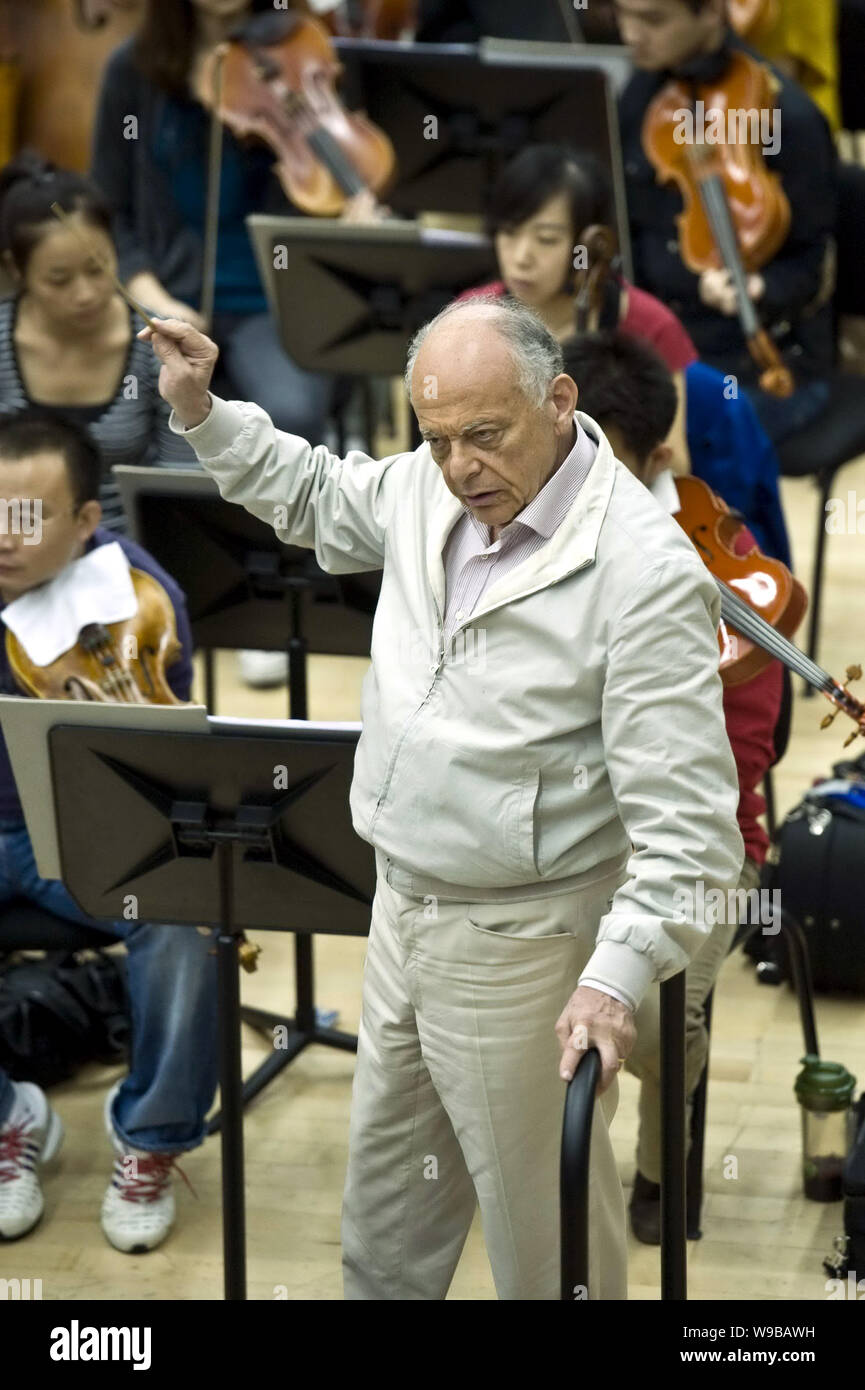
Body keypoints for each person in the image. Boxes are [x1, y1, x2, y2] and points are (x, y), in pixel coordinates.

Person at [140, 294, 744, 1299]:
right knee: (386, 1230)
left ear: (558, 400)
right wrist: (205, 410)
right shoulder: (431, 485)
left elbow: (691, 830)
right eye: (436, 438)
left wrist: (615, 973)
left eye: (485, 436)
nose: (461, 467)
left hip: (523, 945)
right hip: (401, 909)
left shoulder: (643, 573)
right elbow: (320, 494)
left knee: (547, 1254)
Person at [560, 330, 784, 1242]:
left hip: (698, 840)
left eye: (603, 463)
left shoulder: (726, 566)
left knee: (662, 995)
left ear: (656, 458)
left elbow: (738, 764)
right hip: (567, 826)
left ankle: (661, 1170)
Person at [0, 410, 218, 1252]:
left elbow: (169, 773)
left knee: (180, 915)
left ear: (87, 521)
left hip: (88, 839)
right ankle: (11, 1120)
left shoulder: (138, 598)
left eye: (29, 517)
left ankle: (151, 1141)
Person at [89, 0, 345, 687]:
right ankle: (179, 600)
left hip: (271, 293)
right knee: (145, 435)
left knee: (291, 407)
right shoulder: (133, 72)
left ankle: (267, 603)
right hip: (170, 292)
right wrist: (149, 289)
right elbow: (107, 205)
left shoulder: (291, 51)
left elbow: (331, 177)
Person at [461, 144, 791, 563]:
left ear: (589, 244)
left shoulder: (649, 325)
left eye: (546, 239)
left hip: (618, 534)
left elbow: (674, 460)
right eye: (508, 233)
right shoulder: (474, 319)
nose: (521, 256)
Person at [614, 0, 838, 445]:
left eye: (653, 19)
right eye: (623, 14)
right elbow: (630, 233)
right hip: (659, 342)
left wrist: (759, 291)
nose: (630, 33)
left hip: (758, 359)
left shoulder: (786, 117)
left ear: (714, 12)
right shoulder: (640, 96)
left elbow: (815, 270)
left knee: (651, 443)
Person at [0, 151, 197, 534]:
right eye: (59, 280)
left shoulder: (160, 343)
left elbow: (180, 483)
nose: (86, 293)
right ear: (16, 270)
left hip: (129, 547)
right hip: (12, 544)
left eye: (98, 268)